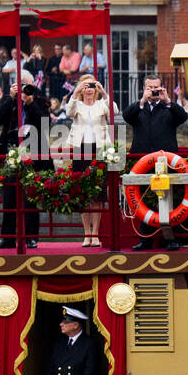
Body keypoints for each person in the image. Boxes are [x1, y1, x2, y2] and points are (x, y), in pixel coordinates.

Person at [123, 76, 188, 251]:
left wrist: (168, 100)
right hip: (143, 162)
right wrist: (142, 100)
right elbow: (126, 116)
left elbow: (183, 117)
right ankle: (145, 240)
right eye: (150, 87)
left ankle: (172, 239)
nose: (153, 91)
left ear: (161, 88)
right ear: (144, 88)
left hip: (166, 161)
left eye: (156, 87)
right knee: (144, 200)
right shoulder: (139, 108)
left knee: (170, 200)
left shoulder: (168, 107)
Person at [0, 71, 52, 250]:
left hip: (33, 154)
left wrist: (30, 104)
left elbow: (46, 124)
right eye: (21, 86)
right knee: (9, 198)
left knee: (30, 197)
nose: (24, 90)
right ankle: (8, 238)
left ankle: (31, 237)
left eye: (27, 86)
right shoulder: (12, 102)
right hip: (12, 152)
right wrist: (11, 99)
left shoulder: (39, 102)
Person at [65, 74, 112, 247]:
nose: (89, 90)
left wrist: (104, 93)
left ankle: (95, 233)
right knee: (82, 192)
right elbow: (68, 111)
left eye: (92, 86)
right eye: (86, 86)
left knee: (98, 194)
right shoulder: (77, 104)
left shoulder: (101, 104)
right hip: (81, 148)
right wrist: (75, 91)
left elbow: (114, 111)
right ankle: (86, 233)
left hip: (99, 149)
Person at [50, 306, 96, 375]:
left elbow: (89, 372)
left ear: (75, 325)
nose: (61, 324)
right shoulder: (59, 344)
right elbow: (51, 369)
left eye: (65, 322)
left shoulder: (89, 344)